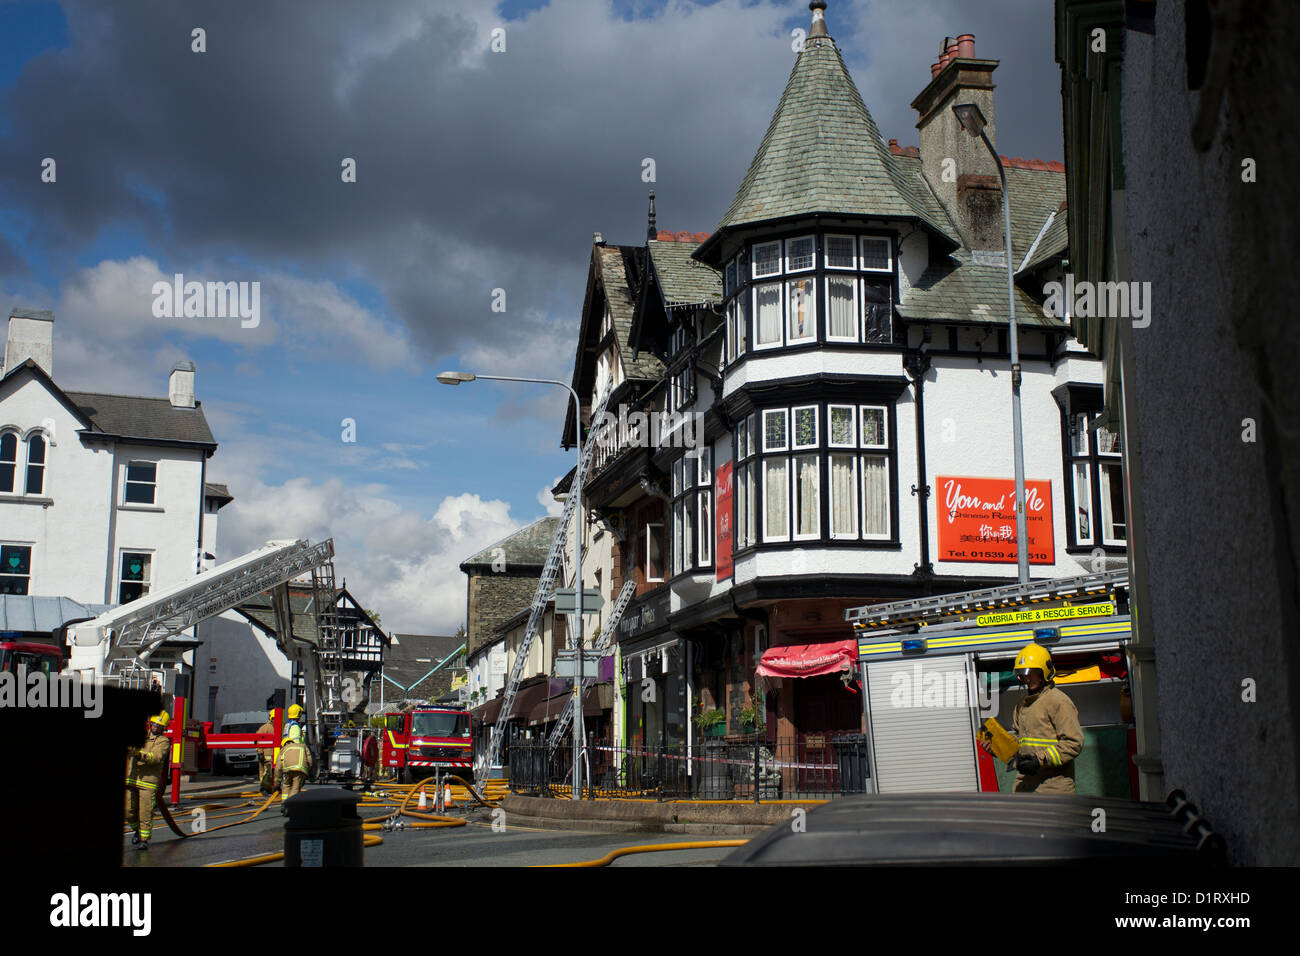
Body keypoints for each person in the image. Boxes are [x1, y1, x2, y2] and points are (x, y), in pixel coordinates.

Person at [1002, 643, 1085, 793]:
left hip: (1053, 787)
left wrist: (1039, 760)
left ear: (1044, 672)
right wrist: (998, 747)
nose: (1027, 678)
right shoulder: (1022, 705)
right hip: (1025, 785)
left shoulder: (1058, 701)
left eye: (1031, 673)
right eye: (1023, 674)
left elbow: (1073, 743)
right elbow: (1019, 741)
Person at [125, 712, 172, 850]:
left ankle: (144, 839)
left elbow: (156, 757)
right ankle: (137, 831)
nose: (156, 727)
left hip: (148, 782)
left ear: (163, 728)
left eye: (160, 725)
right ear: (150, 724)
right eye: (155, 724)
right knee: (127, 810)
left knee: (145, 812)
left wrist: (138, 754)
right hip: (132, 779)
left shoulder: (163, 741)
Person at [276, 723, 312, 813]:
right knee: (295, 787)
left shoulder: (283, 750)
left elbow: (278, 767)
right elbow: (310, 760)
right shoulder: (302, 746)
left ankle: (284, 804)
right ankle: (290, 805)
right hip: (300, 770)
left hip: (287, 770)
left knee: (286, 785)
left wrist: (277, 783)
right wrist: (308, 770)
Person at [256, 709, 276, 793]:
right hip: (266, 756)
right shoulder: (265, 728)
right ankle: (264, 788)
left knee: (270, 774)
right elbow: (258, 740)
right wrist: (260, 753)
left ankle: (269, 788)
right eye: (274, 718)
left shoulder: (276, 727)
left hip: (272, 756)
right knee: (266, 773)